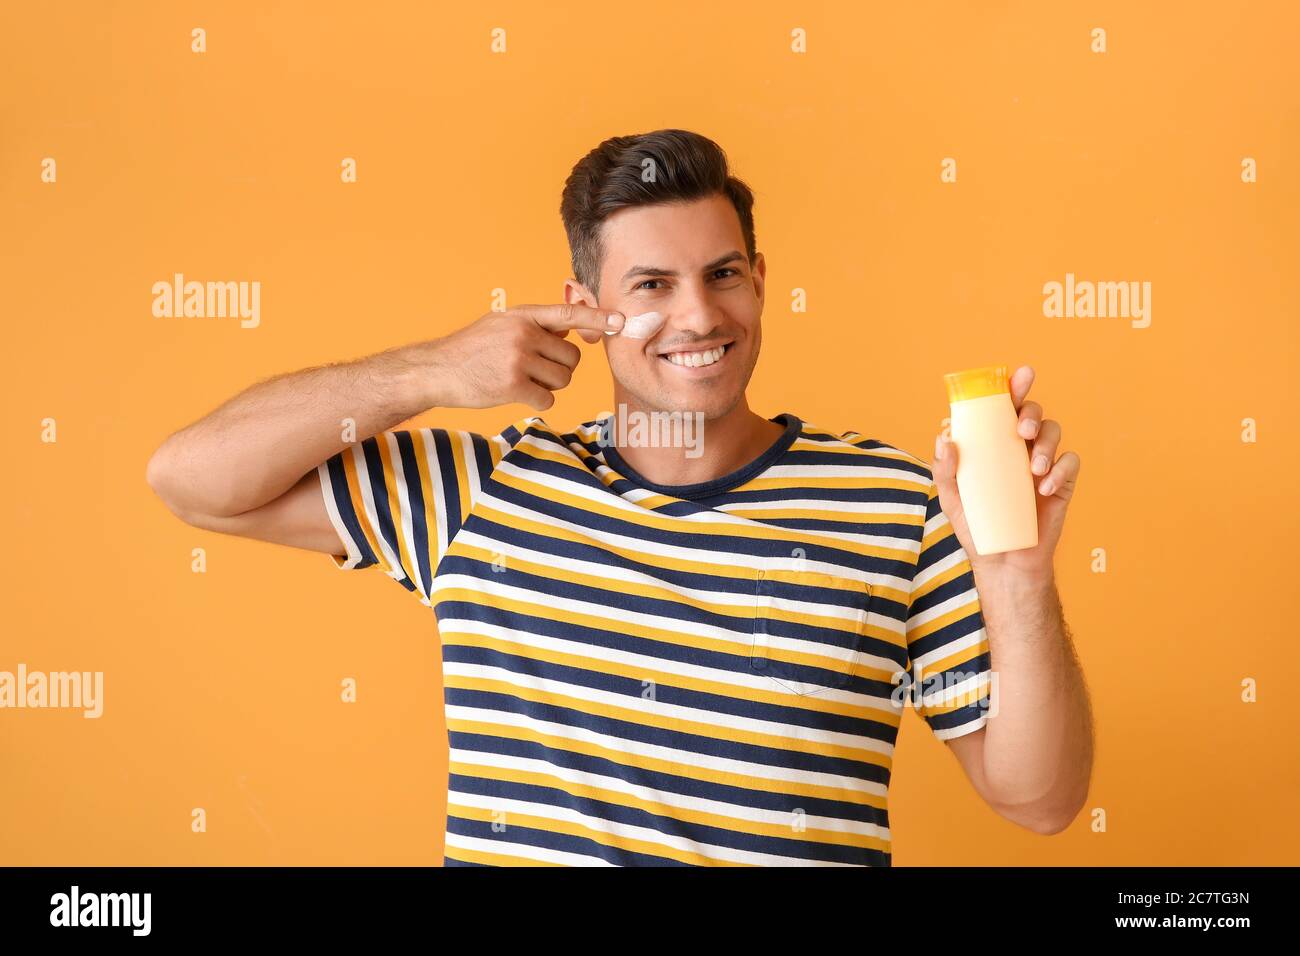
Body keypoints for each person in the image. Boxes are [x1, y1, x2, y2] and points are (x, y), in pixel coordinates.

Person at [147, 128, 1092, 866]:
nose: (698, 315)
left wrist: (1016, 578)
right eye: (652, 284)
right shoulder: (485, 491)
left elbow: (1040, 800)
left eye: (723, 274)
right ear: (586, 306)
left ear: (760, 284)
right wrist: (431, 367)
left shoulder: (897, 505)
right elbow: (191, 479)